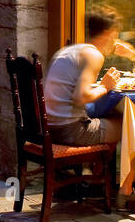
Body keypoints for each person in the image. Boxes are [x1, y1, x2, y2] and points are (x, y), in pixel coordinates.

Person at [43, 8, 125, 148]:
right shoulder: (93, 55)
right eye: (115, 36)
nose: (115, 42)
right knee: (129, 126)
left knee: (106, 117)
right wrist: (105, 86)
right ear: (107, 34)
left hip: (48, 128)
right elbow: (81, 97)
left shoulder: (68, 51)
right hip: (70, 131)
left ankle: (96, 167)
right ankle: (120, 170)